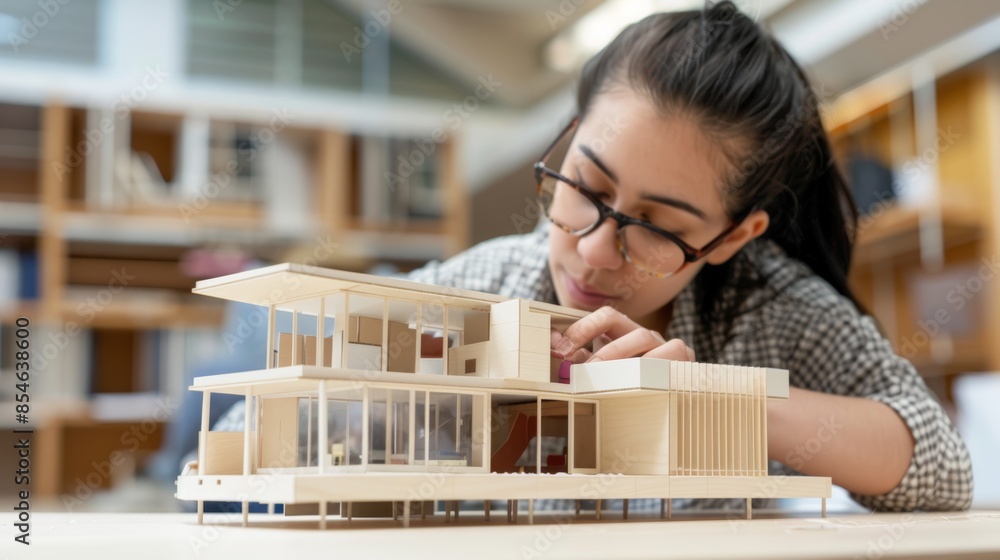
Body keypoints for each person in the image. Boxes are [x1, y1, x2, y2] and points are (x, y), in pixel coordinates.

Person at [210, 2, 972, 513]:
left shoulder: (771, 310)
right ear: (570, 137)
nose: (596, 250)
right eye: (588, 186)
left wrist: (722, 401)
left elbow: (943, 469)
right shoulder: (481, 286)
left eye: (658, 226)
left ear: (733, 237)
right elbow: (240, 438)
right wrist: (396, 404)